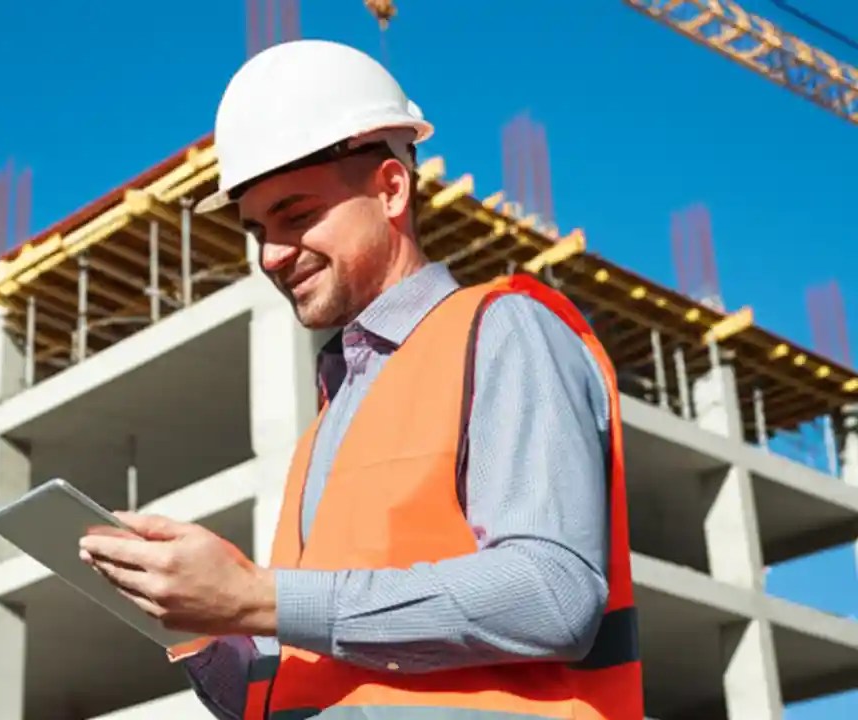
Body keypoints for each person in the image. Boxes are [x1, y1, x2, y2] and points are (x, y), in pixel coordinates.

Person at [78, 39, 643, 720]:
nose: (272, 255)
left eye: (295, 214)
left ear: (391, 188)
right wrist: (199, 617)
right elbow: (322, 679)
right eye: (256, 228)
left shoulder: (502, 329)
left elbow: (554, 596)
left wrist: (260, 596)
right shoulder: (329, 422)